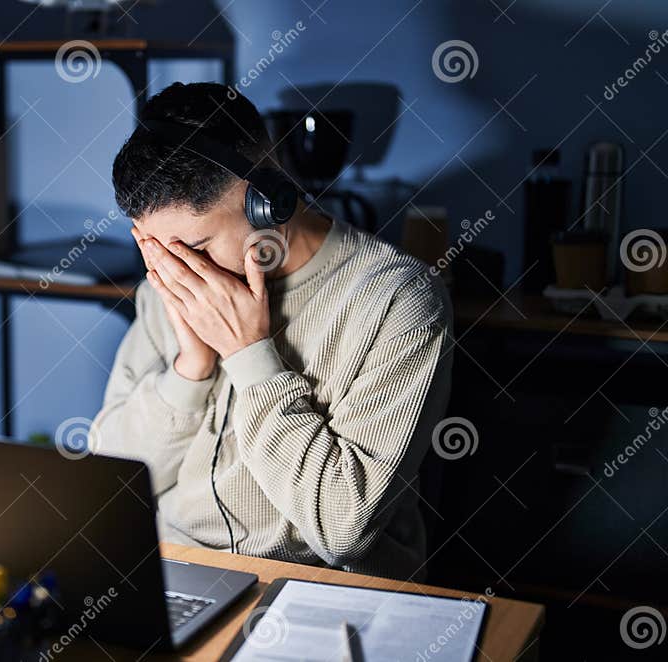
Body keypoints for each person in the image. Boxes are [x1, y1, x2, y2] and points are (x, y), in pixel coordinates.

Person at [90, 82, 452, 580]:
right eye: (159, 249)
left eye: (196, 246)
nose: (180, 272)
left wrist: (250, 356)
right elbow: (114, 479)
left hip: (312, 586)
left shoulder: (396, 300)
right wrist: (189, 372)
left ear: (269, 199)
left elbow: (344, 530)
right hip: (173, 570)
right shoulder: (165, 286)